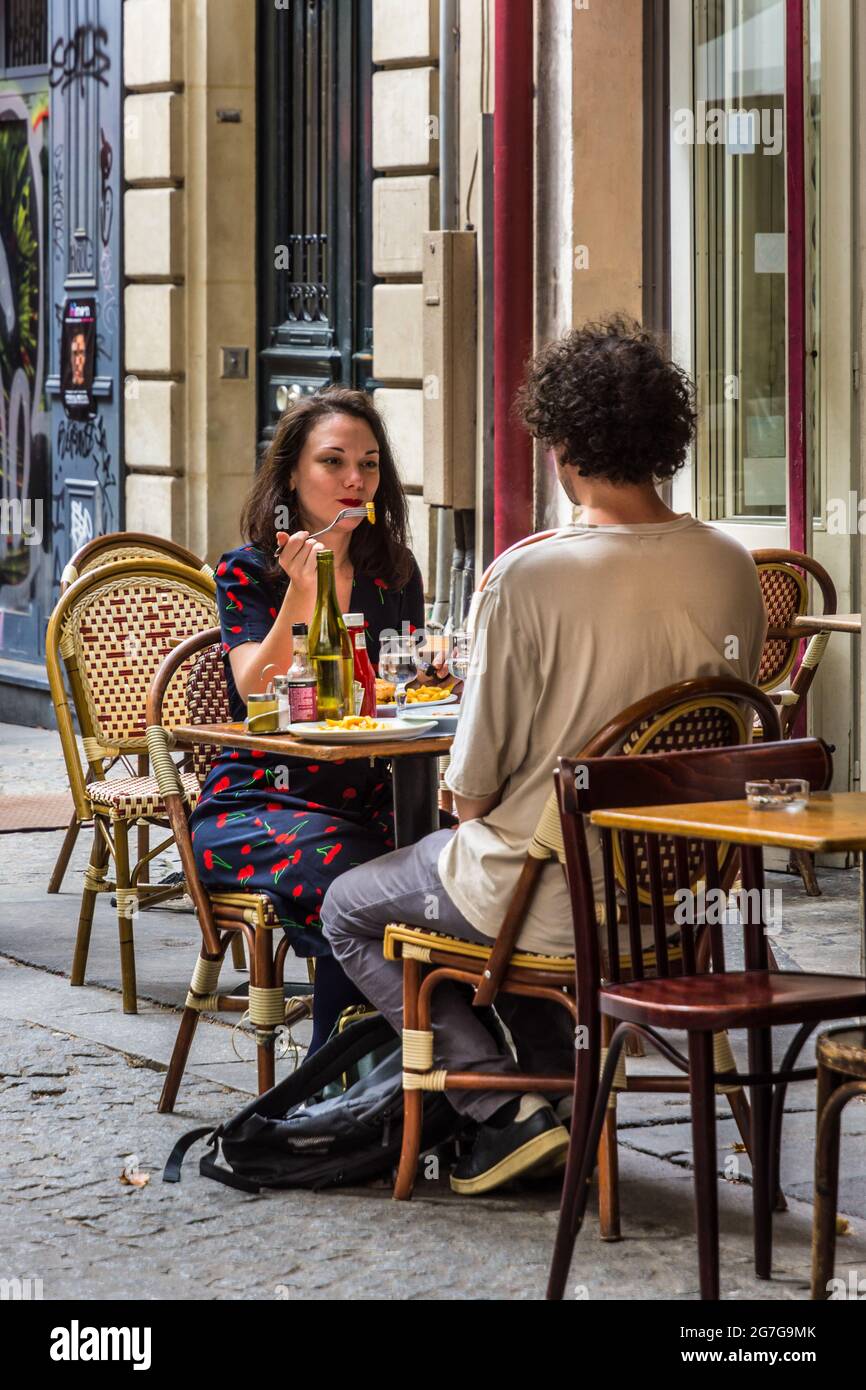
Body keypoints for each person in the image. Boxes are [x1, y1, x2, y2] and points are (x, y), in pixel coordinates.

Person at [322, 316, 769, 1195]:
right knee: (476, 873)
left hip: (546, 902)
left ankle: (502, 1106)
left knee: (347, 906)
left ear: (561, 443)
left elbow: (472, 792)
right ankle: (549, 1090)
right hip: (679, 902)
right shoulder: (732, 564)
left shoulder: (529, 576)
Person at [190, 386, 432, 1051]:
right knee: (360, 881)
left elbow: (400, 687)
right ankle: (344, 1074)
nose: (356, 479)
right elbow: (254, 690)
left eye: (369, 464)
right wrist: (305, 589)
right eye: (333, 461)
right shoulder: (250, 571)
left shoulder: (394, 572)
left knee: (459, 864)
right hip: (257, 802)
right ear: (291, 476)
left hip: (374, 796)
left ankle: (411, 1070)